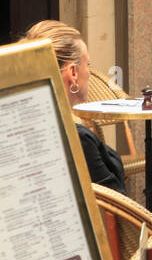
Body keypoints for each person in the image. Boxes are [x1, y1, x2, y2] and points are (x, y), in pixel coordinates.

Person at [23, 20, 126, 194]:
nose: (89, 72)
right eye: (88, 64)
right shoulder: (76, 138)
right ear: (73, 73)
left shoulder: (24, 130)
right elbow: (114, 215)